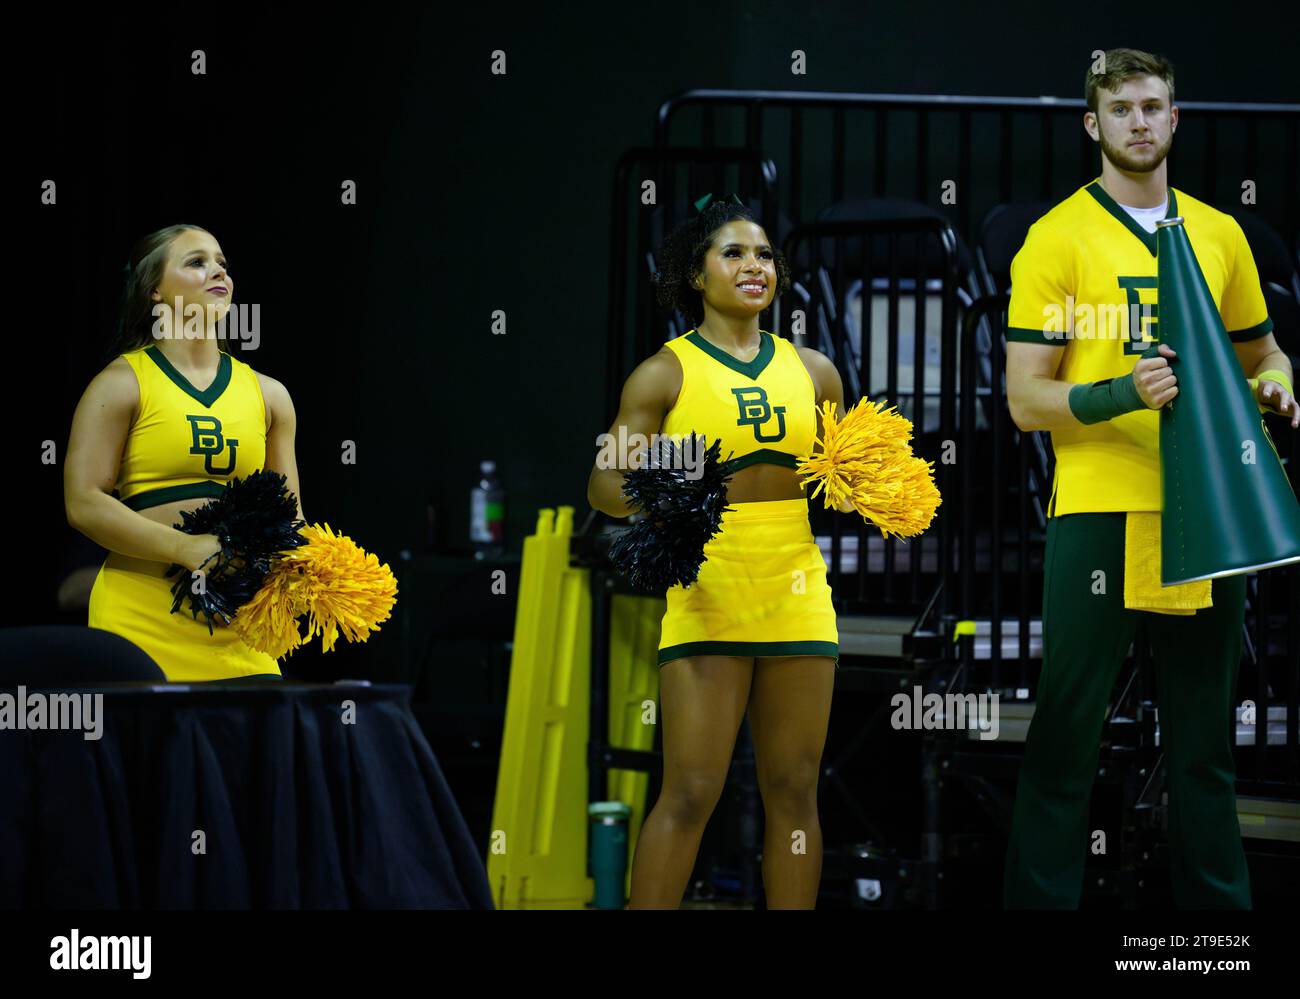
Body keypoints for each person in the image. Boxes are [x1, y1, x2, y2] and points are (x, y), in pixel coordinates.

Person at [1003, 48, 1297, 908]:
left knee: (1205, 742)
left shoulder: (1219, 232)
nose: (1138, 121)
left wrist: (1277, 381)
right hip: (1100, 508)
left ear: (1175, 119)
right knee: (1068, 731)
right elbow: (1025, 398)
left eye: (1152, 106)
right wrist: (1118, 392)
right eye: (1120, 108)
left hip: (1206, 511)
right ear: (1093, 126)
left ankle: (1215, 934)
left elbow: (1264, 349)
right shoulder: (1055, 237)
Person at [588, 195, 855, 909]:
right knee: (692, 790)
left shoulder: (817, 372)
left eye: (764, 253)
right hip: (709, 585)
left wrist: (877, 486)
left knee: (796, 789)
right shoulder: (663, 374)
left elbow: (852, 472)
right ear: (696, 277)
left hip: (798, 588)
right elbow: (604, 483)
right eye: (732, 253)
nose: (753, 265)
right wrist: (663, 496)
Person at [64, 224, 306, 682]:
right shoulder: (120, 383)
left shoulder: (271, 395)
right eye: (196, 262)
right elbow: (83, 503)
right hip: (139, 615)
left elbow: (289, 518)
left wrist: (316, 570)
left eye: (221, 264)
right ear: (154, 291)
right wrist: (185, 548)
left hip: (239, 624)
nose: (217, 271)